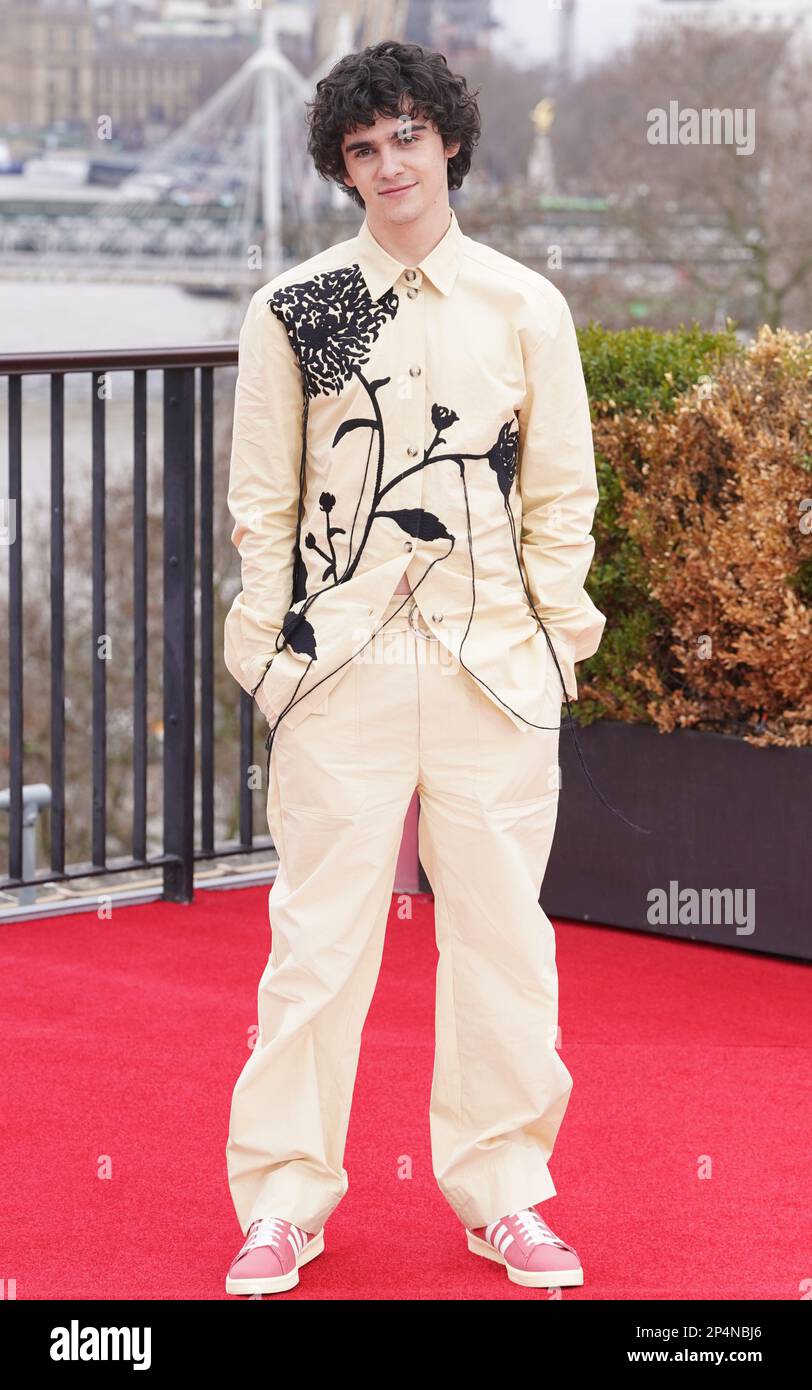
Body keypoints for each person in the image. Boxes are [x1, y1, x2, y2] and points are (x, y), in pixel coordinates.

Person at [222, 39, 605, 1296]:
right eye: (362, 148)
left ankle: (504, 1196)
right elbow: (260, 508)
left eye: (406, 137)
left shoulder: (522, 305)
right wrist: (275, 664)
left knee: (503, 942)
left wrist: (554, 645)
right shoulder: (295, 307)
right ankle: (284, 1200)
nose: (389, 163)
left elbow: (560, 497)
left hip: (497, 669)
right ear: (345, 167)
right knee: (316, 943)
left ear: (446, 142)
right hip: (338, 670)